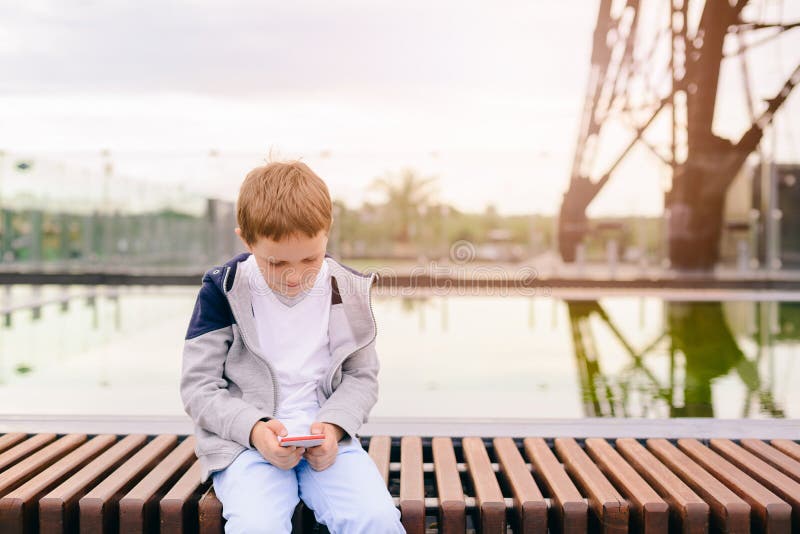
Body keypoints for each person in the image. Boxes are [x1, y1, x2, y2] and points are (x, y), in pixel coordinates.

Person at [180, 160, 405, 533]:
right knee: (257, 526)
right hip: (246, 444)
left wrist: (333, 428)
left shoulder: (346, 290)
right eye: (277, 261)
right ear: (246, 240)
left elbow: (361, 378)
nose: (295, 276)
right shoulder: (223, 290)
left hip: (327, 442)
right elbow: (198, 388)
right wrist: (255, 430)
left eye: (310, 259)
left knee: (375, 520)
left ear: (327, 233)